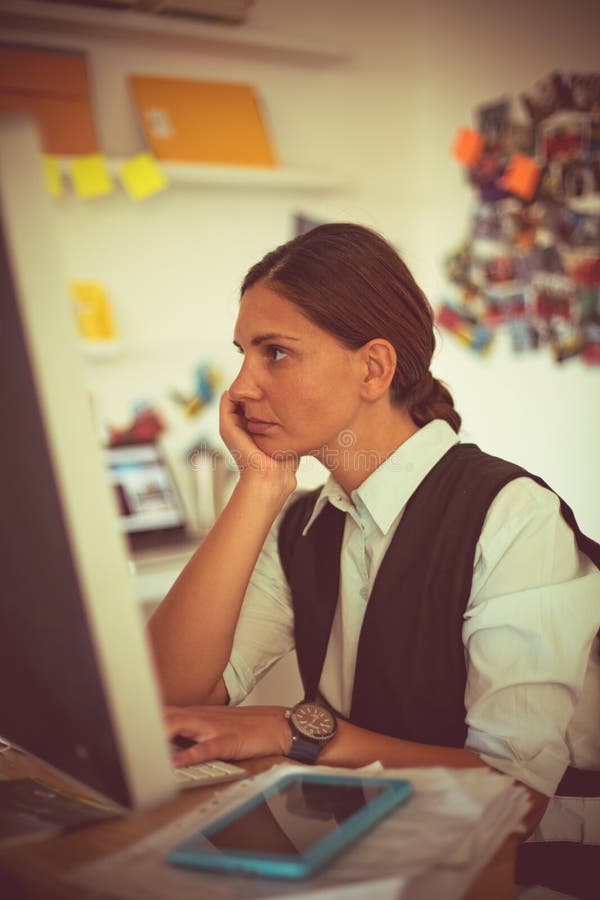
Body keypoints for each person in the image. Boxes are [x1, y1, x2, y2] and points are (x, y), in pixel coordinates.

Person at [148, 223, 600, 863]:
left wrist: (296, 730)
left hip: (526, 871)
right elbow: (169, 698)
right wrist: (259, 486)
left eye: (275, 353)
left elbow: (515, 793)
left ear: (373, 368)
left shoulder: (512, 518)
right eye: (243, 353)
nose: (241, 388)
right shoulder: (302, 524)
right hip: (384, 851)